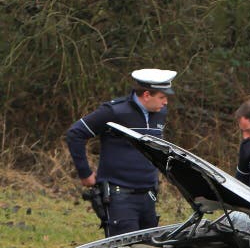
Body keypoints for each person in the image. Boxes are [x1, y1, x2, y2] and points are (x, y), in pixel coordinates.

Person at [66, 68, 176, 236]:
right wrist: (85, 173)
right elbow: (75, 133)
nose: (165, 102)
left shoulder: (160, 114)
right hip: (119, 196)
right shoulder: (114, 111)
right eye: (162, 97)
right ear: (147, 95)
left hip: (148, 195)